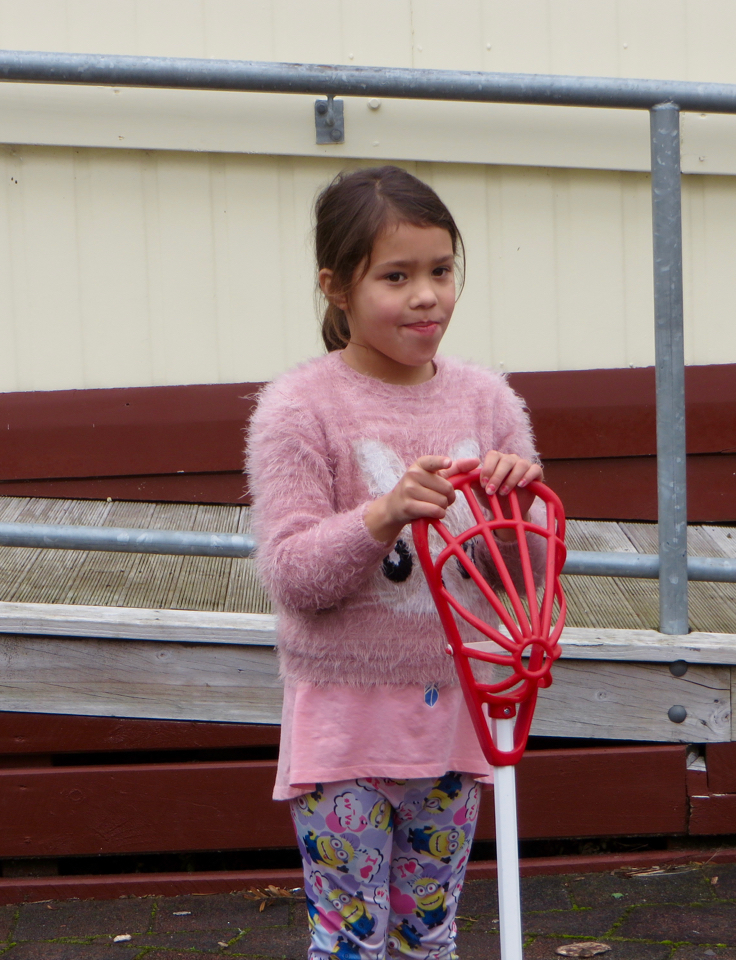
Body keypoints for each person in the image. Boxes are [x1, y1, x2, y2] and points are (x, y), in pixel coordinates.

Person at [246, 165, 544, 960]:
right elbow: (293, 574)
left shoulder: (488, 403)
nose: (427, 296)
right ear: (336, 287)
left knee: (429, 937)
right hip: (343, 730)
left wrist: (518, 512)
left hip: (457, 720)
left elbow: (525, 579)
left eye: (442, 271)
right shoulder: (299, 409)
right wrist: (380, 517)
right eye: (397, 276)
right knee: (351, 940)